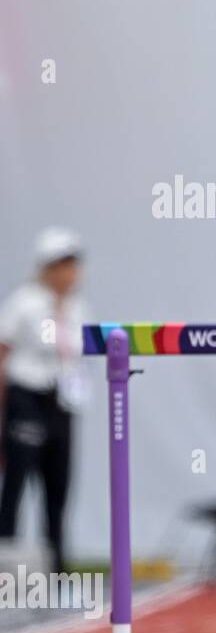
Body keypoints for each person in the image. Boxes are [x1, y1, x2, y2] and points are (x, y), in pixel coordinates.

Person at [0, 228, 90, 578]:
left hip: (62, 402)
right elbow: (3, 352)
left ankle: (58, 572)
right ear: (47, 268)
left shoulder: (78, 307)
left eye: (73, 265)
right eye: (62, 265)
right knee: (16, 485)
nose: (69, 273)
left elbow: (78, 355)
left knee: (58, 488)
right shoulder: (24, 303)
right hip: (26, 398)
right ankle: (5, 572)